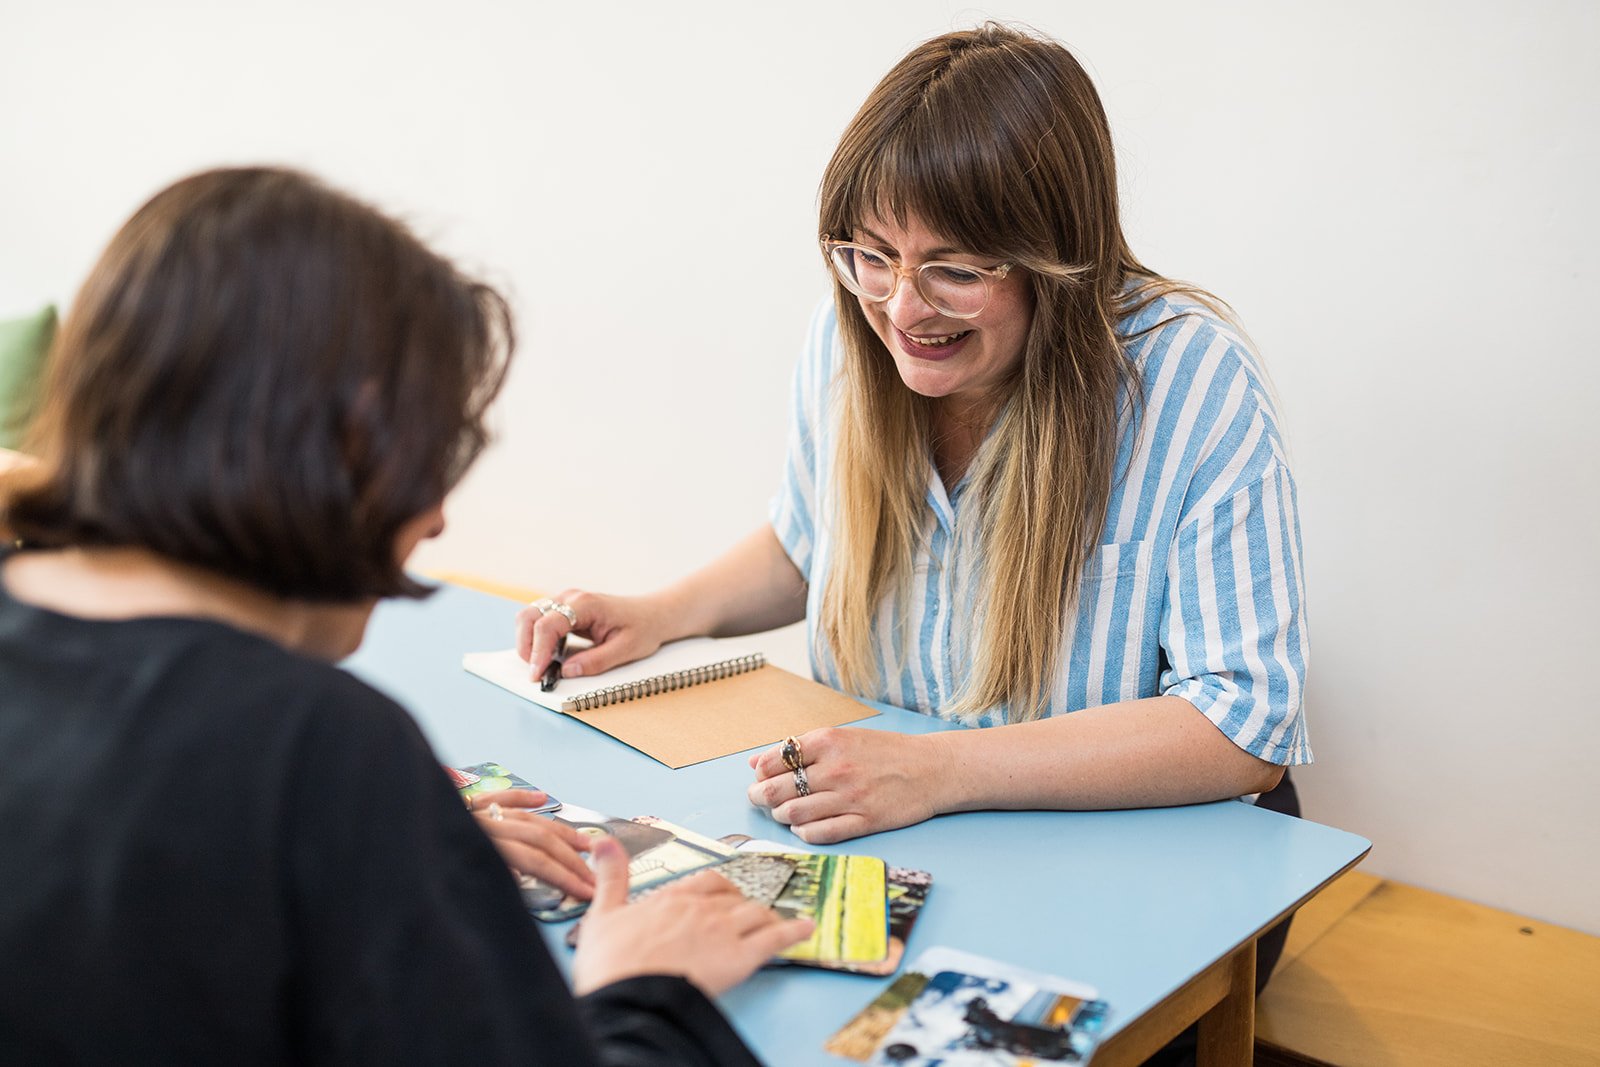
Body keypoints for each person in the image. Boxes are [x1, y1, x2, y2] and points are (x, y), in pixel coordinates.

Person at [0, 167, 810, 1064]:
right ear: (340, 447)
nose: (437, 518)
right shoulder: (321, 750)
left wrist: (379, 854)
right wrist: (643, 993)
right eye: (432, 451)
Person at [518, 26, 1308, 860]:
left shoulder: (1189, 376)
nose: (902, 310)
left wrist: (939, 770)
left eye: (956, 271)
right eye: (872, 256)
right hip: (903, 831)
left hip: (1132, 855)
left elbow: (1245, 729)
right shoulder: (846, 337)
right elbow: (808, 543)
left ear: (1058, 259)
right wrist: (660, 614)